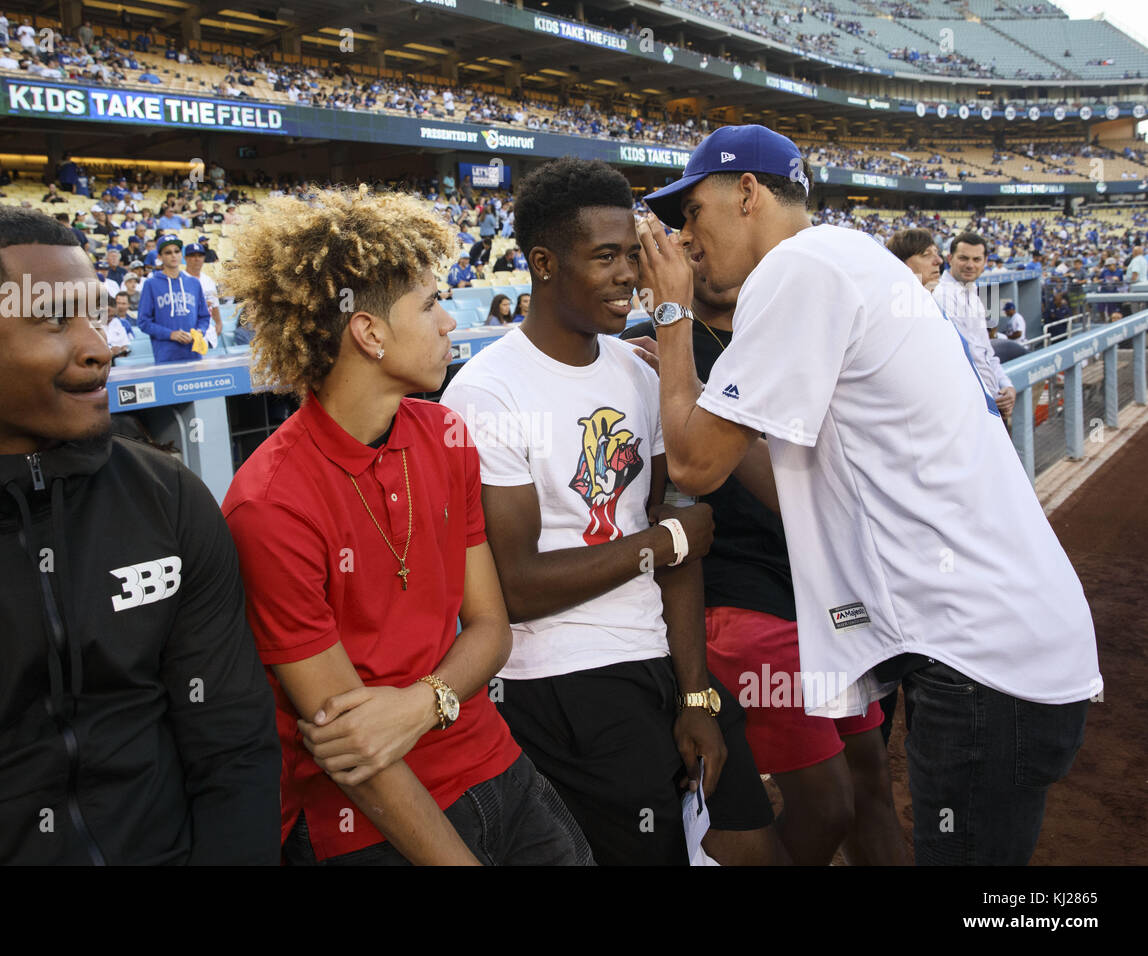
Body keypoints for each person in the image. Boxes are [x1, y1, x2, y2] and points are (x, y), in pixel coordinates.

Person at [638, 123, 1101, 866]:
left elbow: (692, 467)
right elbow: (784, 483)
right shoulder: (845, 256)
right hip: (992, 643)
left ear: (748, 192)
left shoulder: (801, 270)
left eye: (691, 213)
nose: (685, 239)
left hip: (977, 655)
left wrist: (668, 319)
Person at [0, 204, 282, 864]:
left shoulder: (167, 498)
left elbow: (232, 743)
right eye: (55, 320)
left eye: (97, 313)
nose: (101, 345)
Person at [219, 187, 593, 866]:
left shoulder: (446, 433)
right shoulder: (268, 503)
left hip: (493, 765)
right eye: (429, 303)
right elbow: (352, 748)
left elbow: (491, 630)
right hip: (366, 824)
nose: (450, 322)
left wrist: (426, 703)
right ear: (368, 332)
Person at [441, 157, 780, 866]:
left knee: (751, 845)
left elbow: (680, 538)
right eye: (605, 257)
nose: (630, 274)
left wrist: (694, 694)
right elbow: (519, 586)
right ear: (543, 263)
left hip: (666, 659)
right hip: (567, 682)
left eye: (634, 254)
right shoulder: (485, 393)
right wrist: (661, 543)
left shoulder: (636, 367)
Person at [621, 252, 908, 867]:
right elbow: (662, 490)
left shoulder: (789, 332)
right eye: (686, 238)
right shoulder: (650, 346)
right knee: (826, 802)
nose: (698, 249)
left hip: (824, 592)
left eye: (703, 231)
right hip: (738, 596)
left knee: (870, 786)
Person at [933, 232, 1017, 425]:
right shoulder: (943, 295)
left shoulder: (971, 293)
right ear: (950, 259)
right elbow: (965, 358)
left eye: (976, 259)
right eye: (963, 258)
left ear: (985, 261)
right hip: (972, 408)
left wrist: (1006, 385)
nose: (970, 265)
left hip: (989, 402)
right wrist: (991, 397)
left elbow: (987, 353)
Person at [137, 234, 210, 363]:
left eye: (177, 251)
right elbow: (144, 322)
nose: (173, 255)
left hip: (193, 352)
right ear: (159, 257)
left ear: (181, 255)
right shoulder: (151, 284)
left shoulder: (193, 283)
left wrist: (199, 332)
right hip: (166, 354)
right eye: (168, 252)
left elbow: (204, 317)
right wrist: (170, 334)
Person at [183, 243, 221, 347]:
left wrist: (218, 322)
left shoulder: (208, 280)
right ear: (185, 258)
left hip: (207, 331)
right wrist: (201, 304)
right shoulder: (180, 280)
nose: (197, 259)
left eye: (200, 256)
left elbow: (214, 304)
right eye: (193, 256)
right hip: (188, 332)